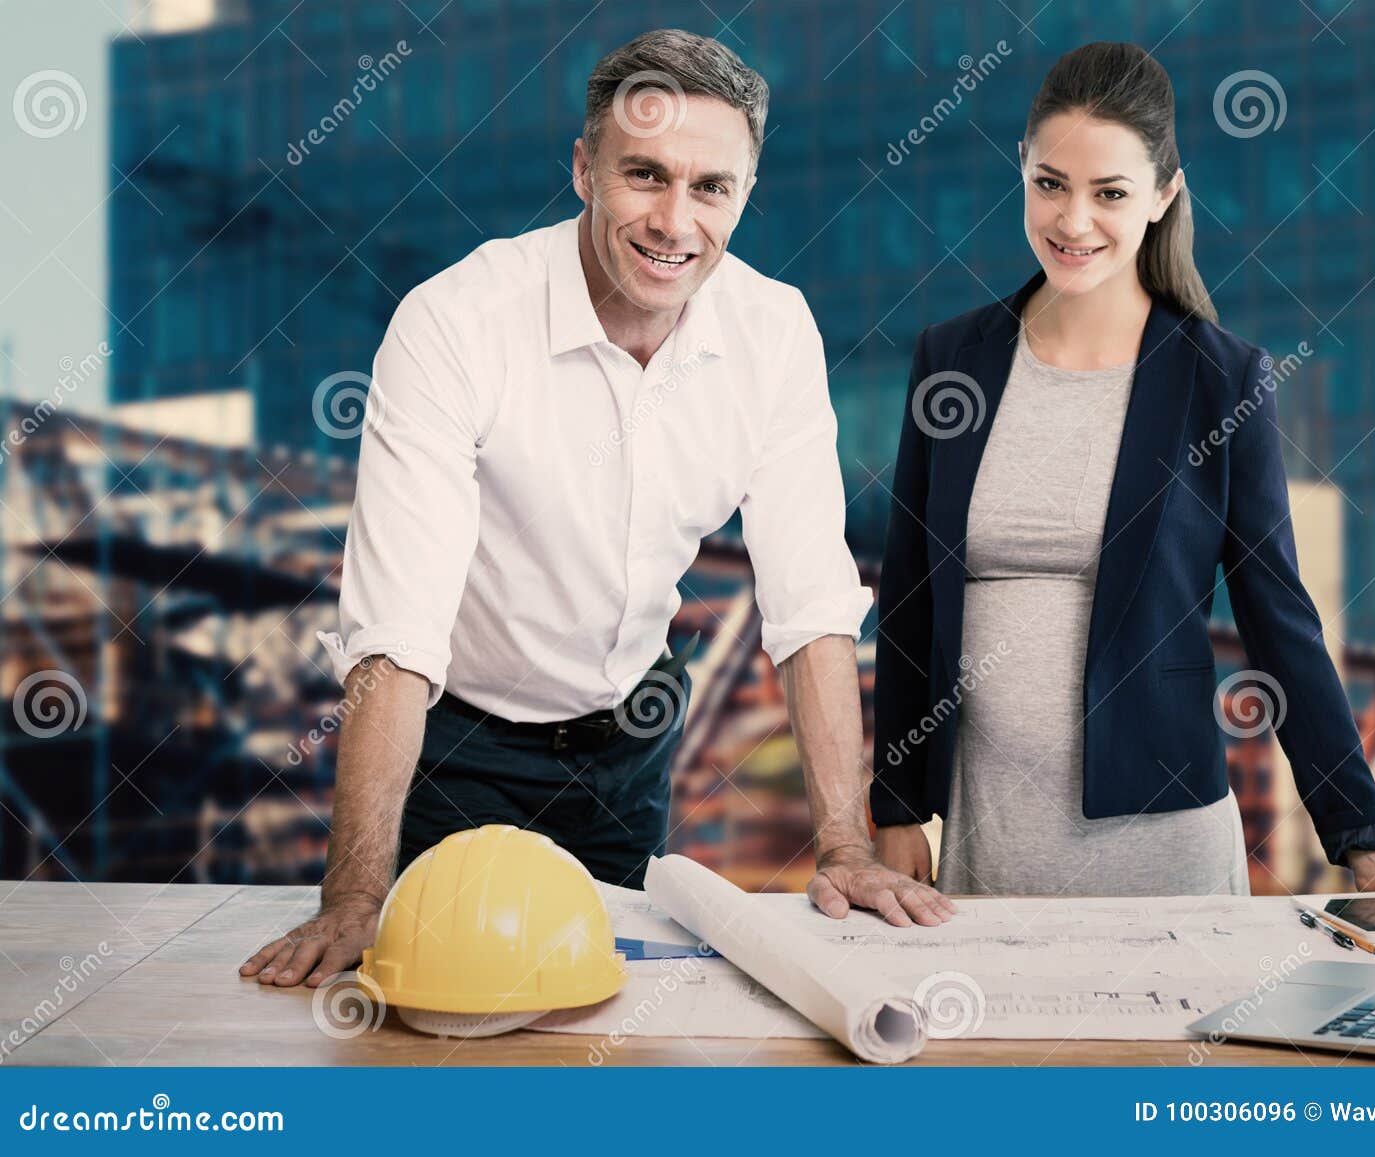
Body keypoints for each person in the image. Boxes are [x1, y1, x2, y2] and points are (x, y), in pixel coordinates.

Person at [242, 29, 953, 991]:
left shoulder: (774, 331)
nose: (674, 220)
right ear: (584, 169)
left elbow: (811, 606)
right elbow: (397, 633)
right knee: (435, 1017)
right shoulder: (455, 323)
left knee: (607, 1011)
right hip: (457, 751)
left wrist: (844, 846)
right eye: (644, 175)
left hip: (627, 752)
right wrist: (355, 892)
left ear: (745, 194)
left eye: (711, 187)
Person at [869, 41, 1375, 901]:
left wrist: (1366, 843)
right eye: (1051, 184)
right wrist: (896, 806)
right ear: (1022, 171)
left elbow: (1278, 618)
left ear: (1163, 195)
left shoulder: (1221, 380)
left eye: (1110, 193)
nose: (1073, 221)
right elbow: (908, 596)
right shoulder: (952, 361)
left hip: (1165, 850)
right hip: (989, 839)